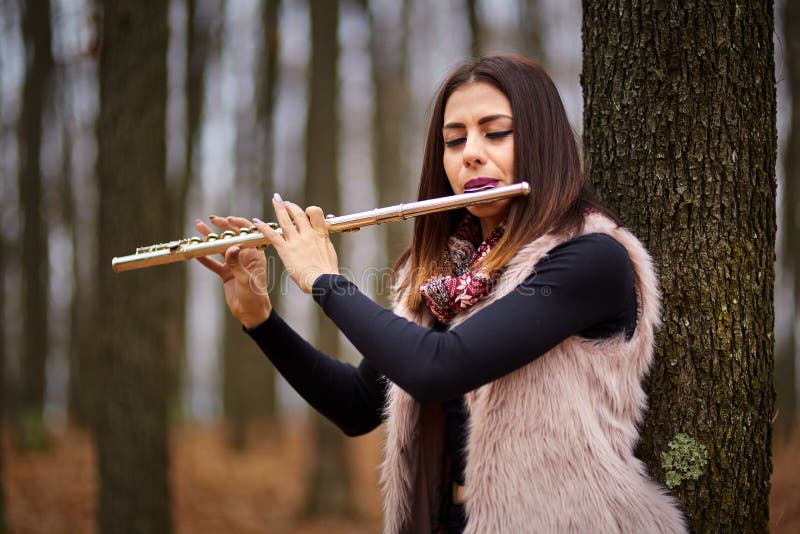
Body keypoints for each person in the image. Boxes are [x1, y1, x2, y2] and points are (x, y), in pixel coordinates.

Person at [196, 55, 687, 533]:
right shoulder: (443, 281)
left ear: (542, 141)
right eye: (454, 140)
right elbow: (357, 405)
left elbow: (438, 367)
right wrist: (261, 319)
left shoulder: (589, 257)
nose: (470, 152)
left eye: (496, 133)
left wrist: (325, 280)